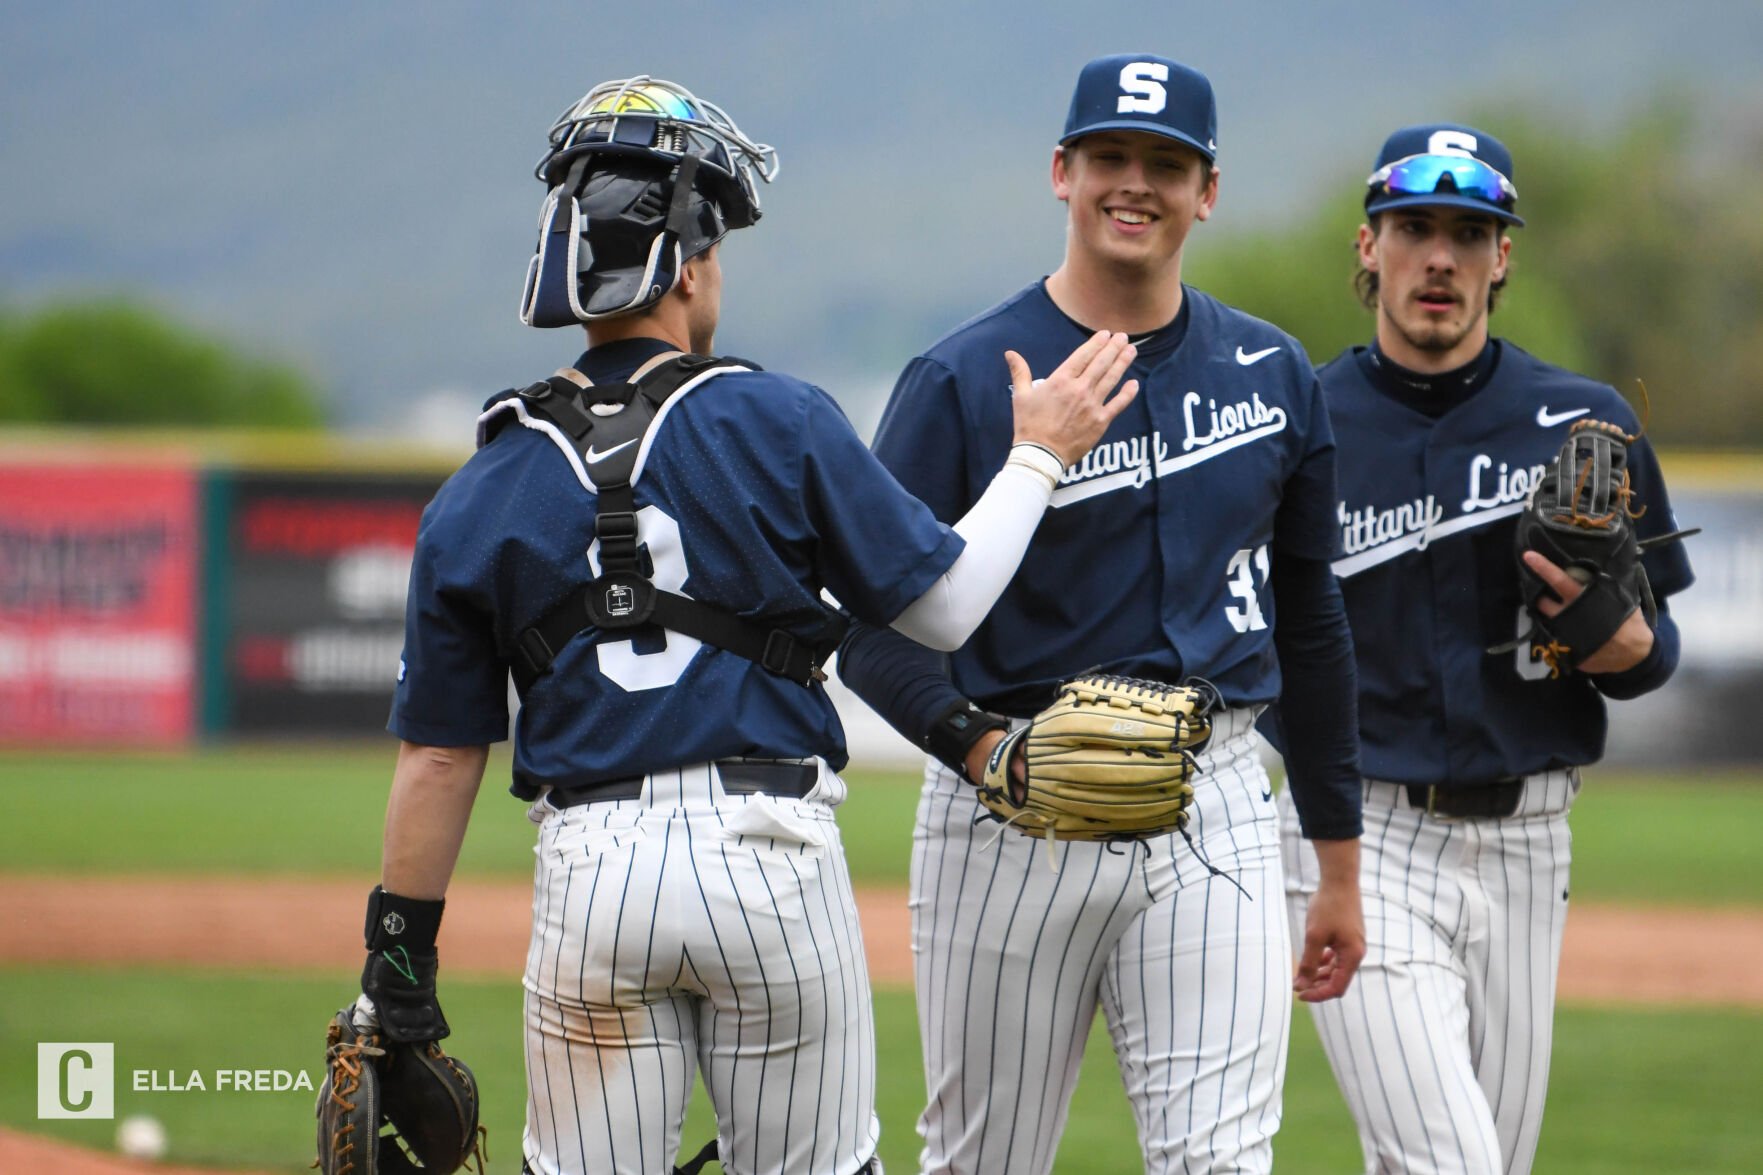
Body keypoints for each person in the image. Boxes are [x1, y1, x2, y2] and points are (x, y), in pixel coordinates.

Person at [354, 75, 1142, 1175]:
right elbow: (945, 607)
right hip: (767, 858)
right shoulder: (777, 416)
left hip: (591, 869)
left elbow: (440, 757)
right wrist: (1038, 455)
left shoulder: (482, 482)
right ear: (685, 263)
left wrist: (396, 965)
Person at [836, 54, 1366, 1174]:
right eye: (1108, 156)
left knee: (1222, 1159)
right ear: (1060, 173)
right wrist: (978, 746)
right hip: (1008, 804)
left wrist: (1336, 859)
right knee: (983, 1158)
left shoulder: (1271, 370)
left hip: (1215, 799)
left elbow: (1311, 622)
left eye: (1164, 164)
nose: (1135, 183)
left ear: (1205, 191)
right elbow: (868, 631)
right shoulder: (962, 376)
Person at [1273, 123, 1696, 1175]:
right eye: (1412, 227)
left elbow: (1651, 650)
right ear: (1368, 244)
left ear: (1500, 256)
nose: (1439, 257)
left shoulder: (1583, 421)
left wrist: (1631, 647)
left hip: (1529, 844)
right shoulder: (1302, 422)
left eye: (1467, 233)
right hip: (1358, 835)